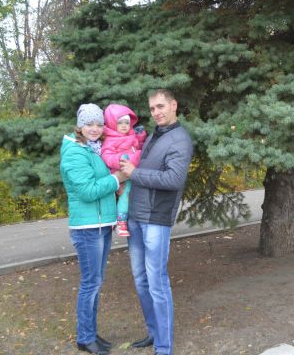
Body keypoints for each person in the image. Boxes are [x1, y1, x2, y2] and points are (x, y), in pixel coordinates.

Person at [119, 89, 193, 355]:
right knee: (141, 279)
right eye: (152, 109)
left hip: (156, 220)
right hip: (136, 217)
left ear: (174, 105)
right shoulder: (154, 135)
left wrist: (135, 174)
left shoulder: (180, 139)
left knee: (157, 282)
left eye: (160, 106)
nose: (156, 112)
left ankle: (164, 347)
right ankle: (153, 333)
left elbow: (173, 180)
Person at [59, 103, 127, 355]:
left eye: (99, 124)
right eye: (89, 124)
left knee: (95, 282)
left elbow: (99, 184)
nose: (95, 129)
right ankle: (85, 338)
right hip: (88, 228)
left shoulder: (92, 149)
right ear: (80, 126)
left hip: (100, 224)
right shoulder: (75, 152)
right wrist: (117, 179)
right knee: (91, 283)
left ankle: (90, 332)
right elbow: (88, 192)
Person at [101, 104, 147, 237]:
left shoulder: (131, 135)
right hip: (121, 172)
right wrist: (120, 160)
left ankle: (134, 217)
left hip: (133, 170)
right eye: (120, 122)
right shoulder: (111, 139)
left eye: (127, 123)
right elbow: (107, 156)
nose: (124, 125)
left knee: (135, 195)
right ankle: (121, 222)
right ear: (112, 123)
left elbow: (137, 146)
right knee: (125, 195)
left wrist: (140, 136)